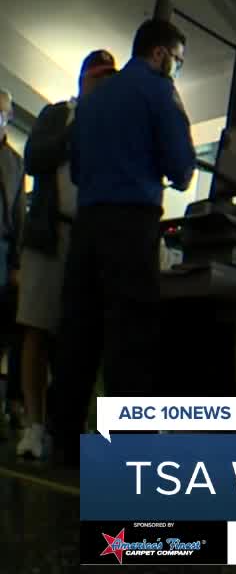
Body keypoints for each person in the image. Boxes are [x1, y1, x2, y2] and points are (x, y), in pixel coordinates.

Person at [49, 20, 195, 464]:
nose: (176, 69)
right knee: (129, 340)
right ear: (159, 54)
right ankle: (128, 452)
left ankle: (64, 446)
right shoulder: (158, 92)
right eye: (178, 60)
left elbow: (75, 171)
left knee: (79, 336)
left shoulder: (91, 102)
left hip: (87, 226)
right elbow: (183, 168)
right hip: (131, 226)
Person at [13, 50, 115, 460]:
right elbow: (35, 159)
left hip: (90, 238)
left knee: (87, 336)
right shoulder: (56, 115)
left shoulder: (113, 123)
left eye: (109, 79)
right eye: (96, 78)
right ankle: (35, 426)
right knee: (36, 328)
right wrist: (74, 132)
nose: (102, 86)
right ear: (81, 80)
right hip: (48, 233)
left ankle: (79, 423)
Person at [0, 88, 25, 443]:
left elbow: (18, 212)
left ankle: (12, 404)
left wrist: (18, 261)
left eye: (4, 113)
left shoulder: (14, 160)